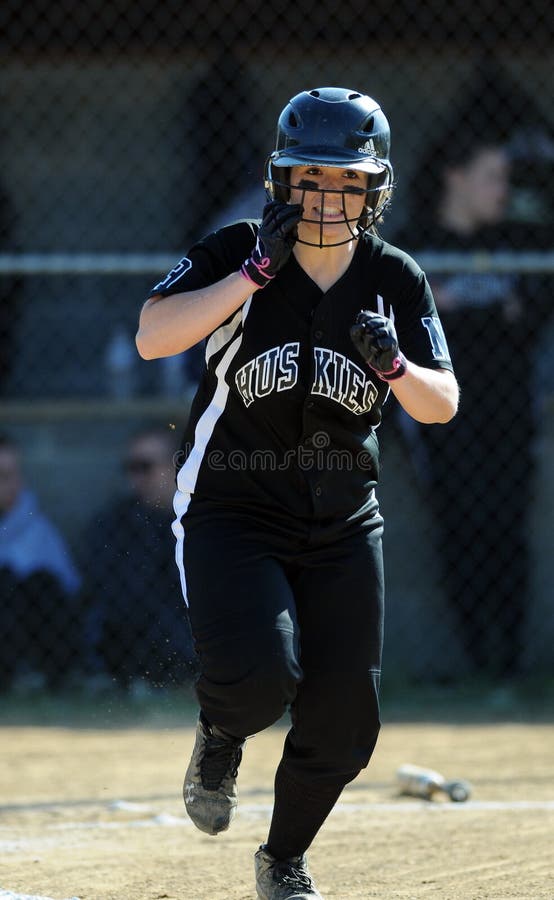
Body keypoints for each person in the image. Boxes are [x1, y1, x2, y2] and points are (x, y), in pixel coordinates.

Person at [136, 87, 458, 899]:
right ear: (282, 181)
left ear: (375, 189)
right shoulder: (237, 248)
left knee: (346, 719)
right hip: (232, 508)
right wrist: (251, 276)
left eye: (347, 181)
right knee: (259, 677)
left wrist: (395, 367)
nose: (326, 197)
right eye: (310, 177)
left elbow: (442, 404)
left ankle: (282, 861)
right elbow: (152, 335)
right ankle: (221, 731)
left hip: (344, 519)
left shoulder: (395, 277)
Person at [393, 126, 547, 679]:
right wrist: (489, 315)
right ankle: (479, 660)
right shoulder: (416, 243)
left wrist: (459, 310)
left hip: (508, 407)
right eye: (492, 178)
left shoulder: (517, 243)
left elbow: (530, 318)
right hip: (443, 412)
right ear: (455, 178)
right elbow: (412, 330)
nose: (503, 191)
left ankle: (509, 665)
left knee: (508, 526)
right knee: (463, 523)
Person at [80, 426, 196, 692]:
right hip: (134, 640)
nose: (135, 477)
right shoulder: (114, 524)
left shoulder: (202, 519)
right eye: (130, 468)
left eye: (145, 467)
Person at [0, 433, 81, 690]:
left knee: (37, 582)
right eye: (3, 476)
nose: (9, 485)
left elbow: (68, 590)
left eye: (10, 475)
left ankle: (36, 675)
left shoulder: (38, 530)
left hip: (31, 635)